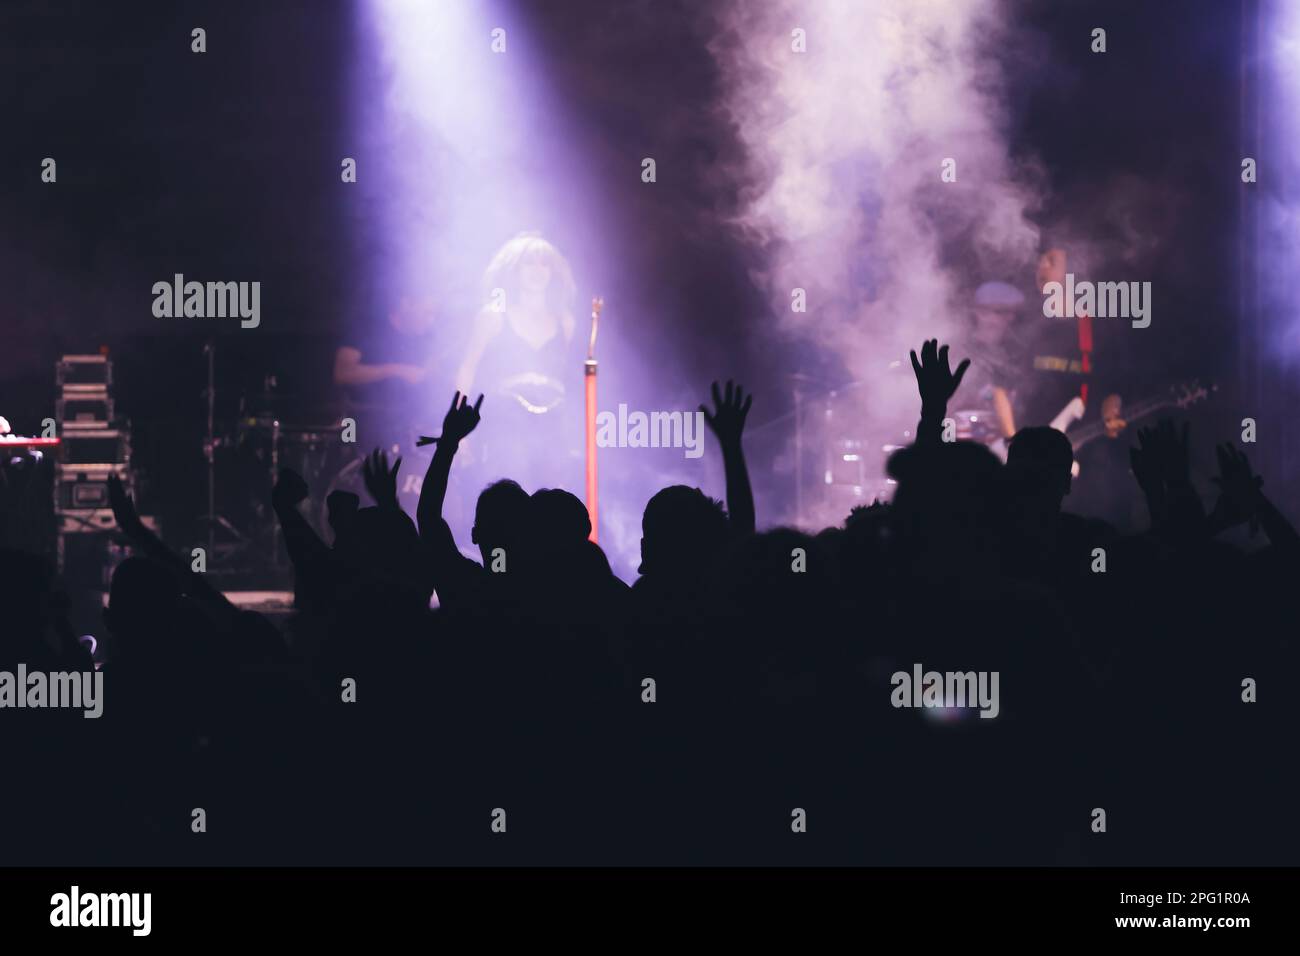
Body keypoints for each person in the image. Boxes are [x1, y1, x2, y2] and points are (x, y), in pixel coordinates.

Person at [453, 233, 582, 491]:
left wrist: (576, 434)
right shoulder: (494, 316)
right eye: (529, 263)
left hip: (553, 426)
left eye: (544, 263)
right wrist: (458, 433)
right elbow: (467, 369)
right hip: (505, 422)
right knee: (509, 495)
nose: (537, 270)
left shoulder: (565, 322)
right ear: (514, 269)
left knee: (550, 500)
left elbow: (573, 381)